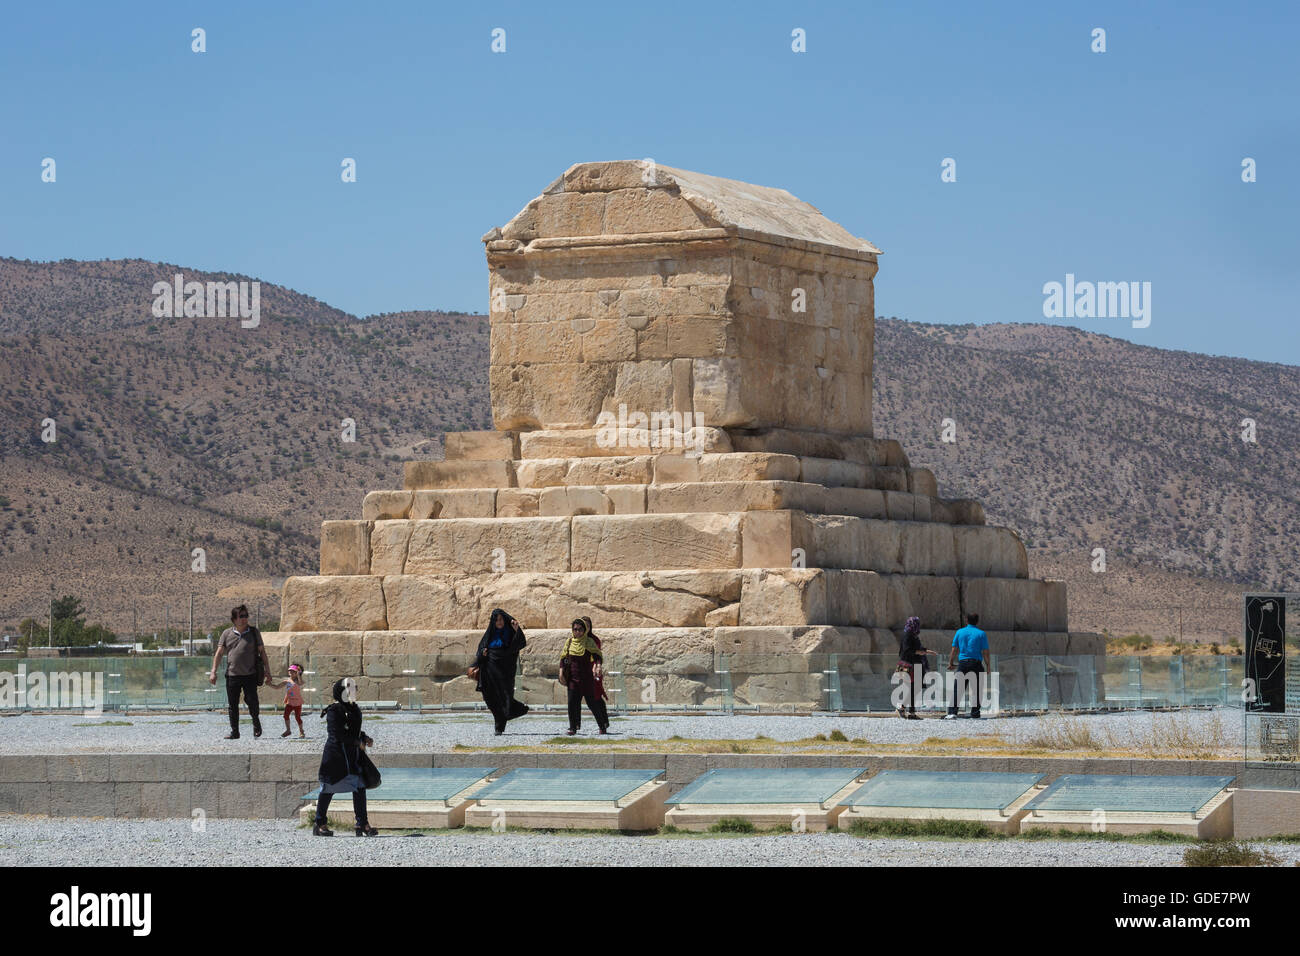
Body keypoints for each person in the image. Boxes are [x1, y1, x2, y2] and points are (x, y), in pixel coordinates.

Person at [313, 678, 377, 837]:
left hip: (352, 757)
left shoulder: (354, 709)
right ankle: (319, 823)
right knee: (328, 788)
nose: (353, 693)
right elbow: (337, 733)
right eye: (350, 690)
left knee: (360, 787)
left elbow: (353, 730)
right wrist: (357, 742)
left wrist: (364, 738)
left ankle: (362, 823)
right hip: (336, 757)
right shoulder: (334, 710)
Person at [208, 605, 271, 739]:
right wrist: (213, 671)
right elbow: (219, 654)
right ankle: (235, 732)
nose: (244, 619)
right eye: (241, 616)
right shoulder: (226, 634)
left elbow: (262, 652)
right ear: (234, 619)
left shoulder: (254, 632)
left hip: (250, 675)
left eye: (246, 616)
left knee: (252, 701)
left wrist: (268, 671)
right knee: (233, 705)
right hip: (232, 675)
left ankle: (256, 723)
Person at [468, 608, 529, 735]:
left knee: (505, 697)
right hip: (489, 672)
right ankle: (503, 717)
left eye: (501, 619)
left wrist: (517, 629)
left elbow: (521, 643)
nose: (499, 622)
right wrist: (482, 654)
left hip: (505, 673)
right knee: (490, 698)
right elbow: (479, 652)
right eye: (496, 620)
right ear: (493, 622)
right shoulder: (489, 634)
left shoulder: (510, 633)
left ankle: (499, 726)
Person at [560, 618, 608, 736]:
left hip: (586, 679)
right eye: (575, 629)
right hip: (572, 678)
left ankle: (602, 725)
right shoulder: (569, 642)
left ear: (584, 630)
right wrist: (561, 672)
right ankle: (573, 727)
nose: (577, 632)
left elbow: (597, 655)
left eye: (580, 629)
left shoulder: (589, 642)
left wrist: (598, 666)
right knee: (572, 703)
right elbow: (564, 658)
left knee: (592, 704)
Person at [945, 613, 990, 719]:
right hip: (976, 663)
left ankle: (952, 712)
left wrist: (950, 662)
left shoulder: (960, 632)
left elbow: (954, 649)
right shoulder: (981, 634)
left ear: (966, 621)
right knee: (977, 689)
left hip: (963, 663)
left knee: (958, 689)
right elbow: (985, 652)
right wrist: (988, 666)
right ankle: (975, 713)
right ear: (977, 621)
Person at [896, 616, 936, 719]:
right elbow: (907, 650)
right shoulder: (907, 634)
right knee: (914, 688)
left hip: (915, 665)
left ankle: (910, 712)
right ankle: (904, 708)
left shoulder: (913, 634)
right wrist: (920, 652)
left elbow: (917, 647)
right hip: (910, 665)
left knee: (915, 689)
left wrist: (927, 651)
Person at [267, 663, 306, 738]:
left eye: (293, 671)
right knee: (285, 715)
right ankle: (288, 730)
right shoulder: (287, 681)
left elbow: (301, 683)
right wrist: (269, 684)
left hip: (297, 702)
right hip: (289, 701)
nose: (290, 672)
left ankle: (301, 731)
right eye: (290, 671)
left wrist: (298, 675)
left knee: (297, 717)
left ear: (297, 672)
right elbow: (277, 687)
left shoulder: (299, 681)